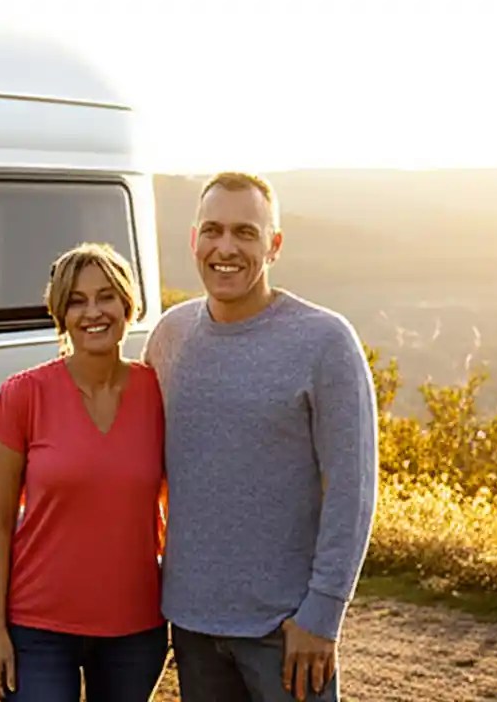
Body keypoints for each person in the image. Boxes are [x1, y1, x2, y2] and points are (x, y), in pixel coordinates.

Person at [142, 171, 379, 702]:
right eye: (213, 230)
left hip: (288, 630)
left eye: (245, 233)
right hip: (192, 624)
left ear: (273, 245)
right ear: (194, 239)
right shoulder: (169, 337)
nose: (226, 248)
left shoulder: (325, 342)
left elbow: (352, 490)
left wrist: (323, 614)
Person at [0, 242, 169, 701]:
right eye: (76, 301)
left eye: (106, 297)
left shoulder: (160, 393)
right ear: (60, 314)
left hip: (134, 628)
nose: (93, 312)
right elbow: (0, 522)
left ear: (127, 305)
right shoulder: (23, 396)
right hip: (39, 627)